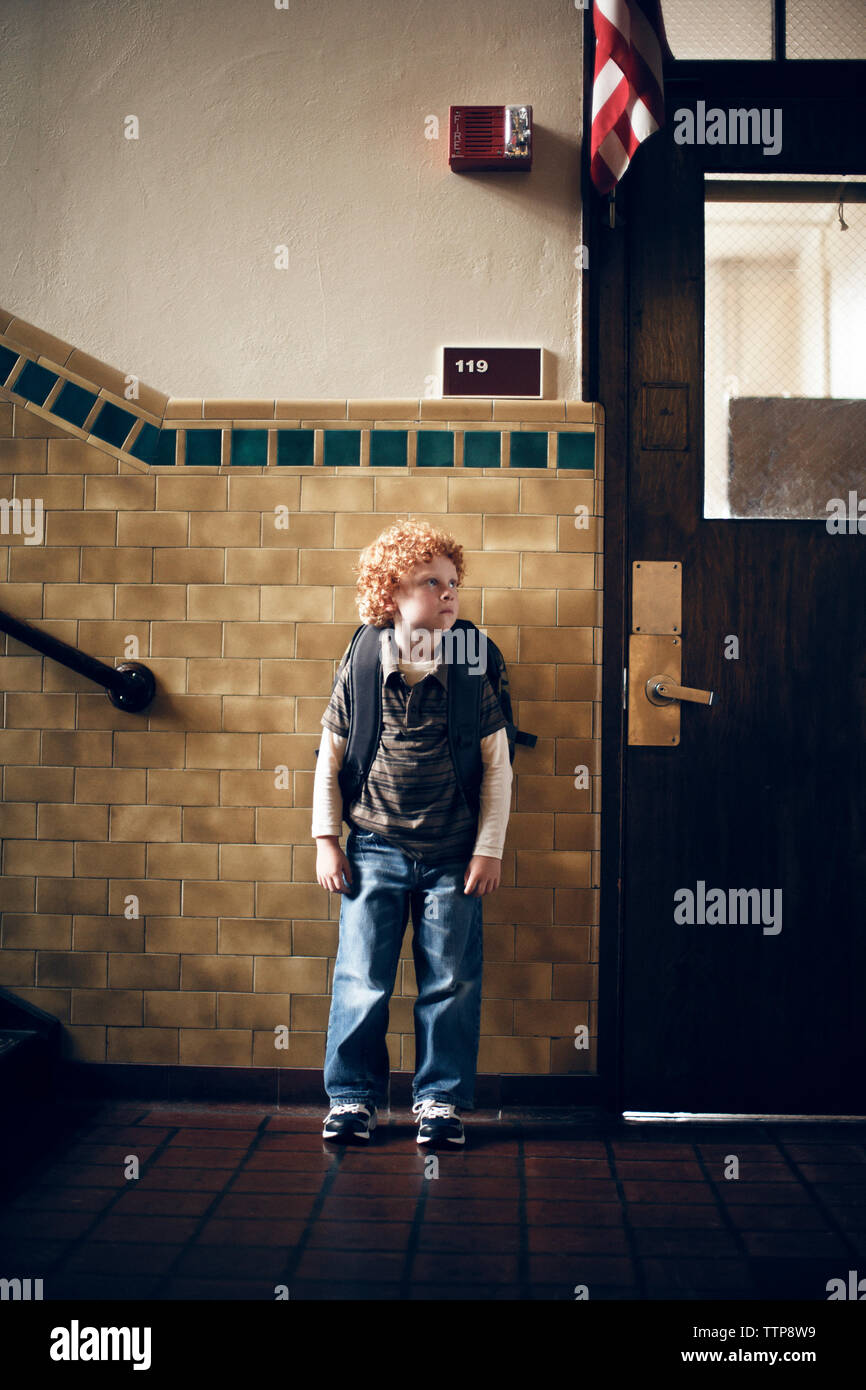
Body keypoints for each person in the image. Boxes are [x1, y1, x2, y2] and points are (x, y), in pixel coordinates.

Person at [312, 519, 513, 1148]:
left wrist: (488, 849)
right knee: (361, 979)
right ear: (390, 592)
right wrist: (326, 839)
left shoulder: (470, 668)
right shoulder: (365, 663)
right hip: (372, 847)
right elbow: (329, 756)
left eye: (454, 583)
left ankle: (439, 1102)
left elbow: (497, 768)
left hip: (455, 855)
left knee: (450, 981)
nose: (450, 593)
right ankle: (352, 1099)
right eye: (433, 582)